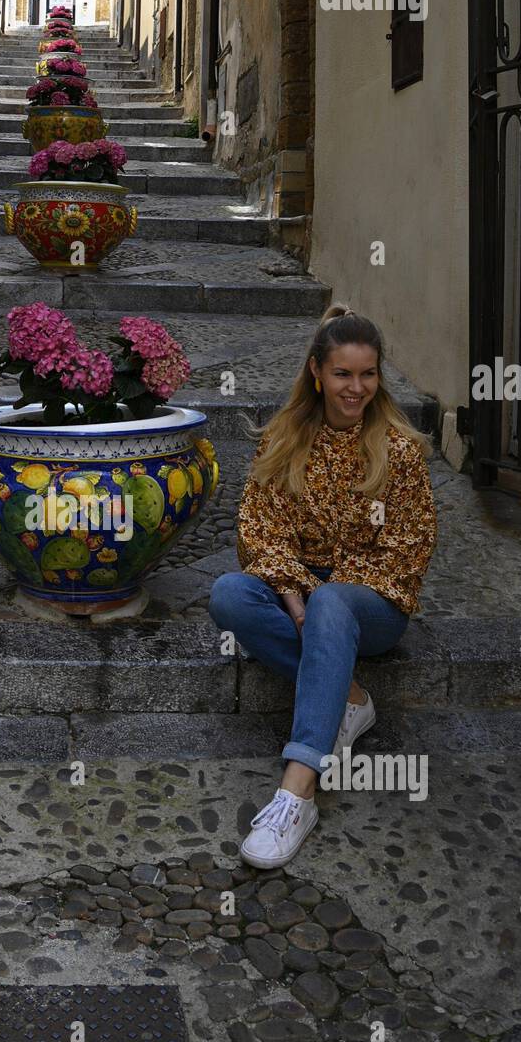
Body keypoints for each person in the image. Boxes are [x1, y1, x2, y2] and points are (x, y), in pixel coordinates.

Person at [208, 303, 437, 869]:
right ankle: (351, 698)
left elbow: (409, 550)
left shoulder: (399, 450)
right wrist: (290, 587)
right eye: (343, 374)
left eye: (367, 374)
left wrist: (326, 599)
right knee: (229, 595)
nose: (355, 387)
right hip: (304, 593)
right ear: (317, 372)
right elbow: (259, 524)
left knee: (335, 600)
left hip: (375, 604)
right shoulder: (286, 438)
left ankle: (297, 790)